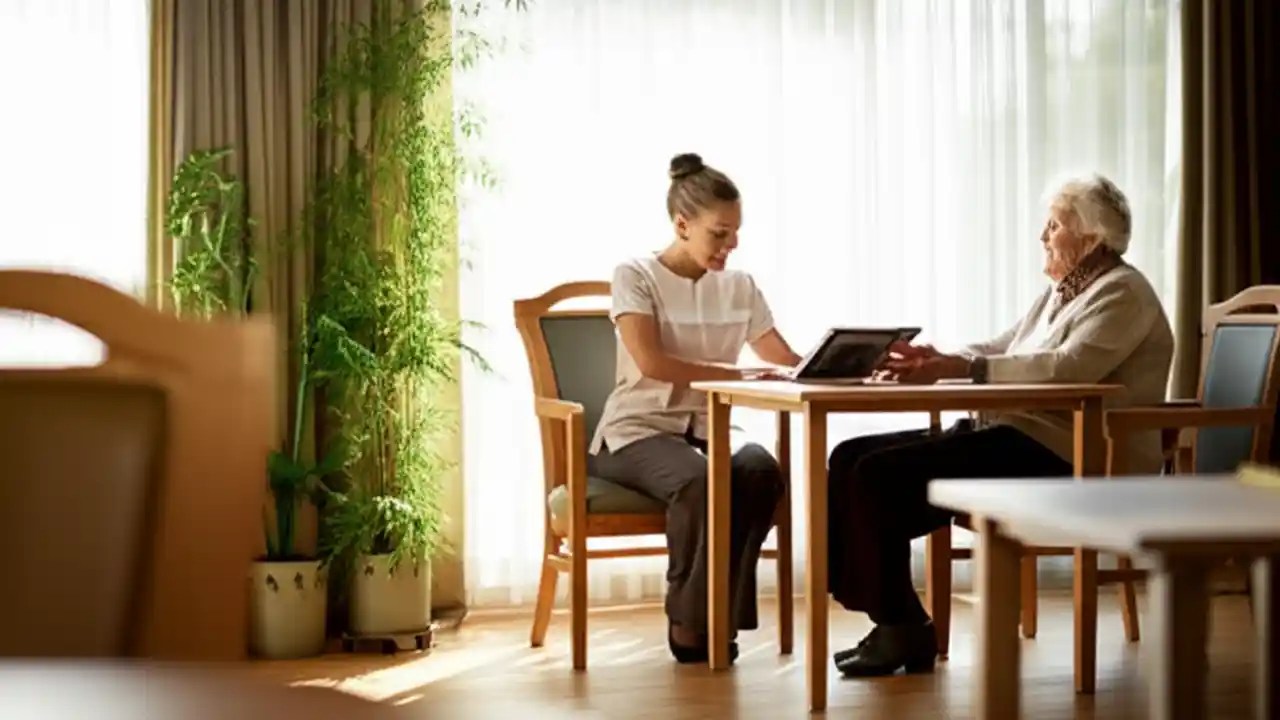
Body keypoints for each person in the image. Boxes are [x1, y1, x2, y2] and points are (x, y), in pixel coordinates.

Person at [827, 174, 1174, 678]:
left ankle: (902, 625)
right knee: (849, 457)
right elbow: (1004, 347)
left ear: (1092, 238)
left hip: (1073, 453)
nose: (1042, 236)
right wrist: (942, 358)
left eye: (1054, 225)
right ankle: (893, 620)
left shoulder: (1124, 293)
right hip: (1020, 435)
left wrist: (962, 368)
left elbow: (1067, 367)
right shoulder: (1064, 291)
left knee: (877, 476)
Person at [589, 153, 804, 664]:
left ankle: (718, 613)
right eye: (720, 233)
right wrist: (737, 375)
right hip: (635, 434)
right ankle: (690, 620)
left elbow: (782, 356)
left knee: (759, 472)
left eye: (736, 233)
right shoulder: (634, 275)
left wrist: (844, 362)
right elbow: (652, 361)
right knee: (699, 480)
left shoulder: (740, 286)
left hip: (709, 430)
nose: (732, 245)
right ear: (682, 225)